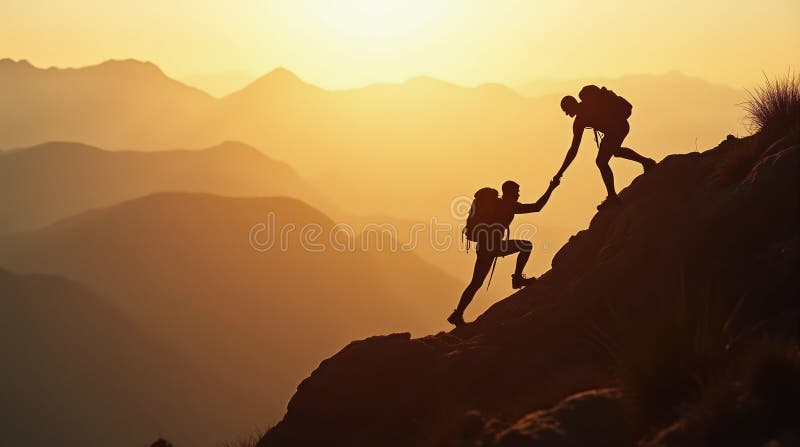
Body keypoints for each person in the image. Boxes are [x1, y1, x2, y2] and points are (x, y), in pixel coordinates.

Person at [448, 179, 559, 327]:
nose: (519, 194)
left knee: (476, 283)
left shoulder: (500, 203)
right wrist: (551, 188)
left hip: (486, 247)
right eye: (517, 192)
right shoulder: (509, 205)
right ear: (510, 192)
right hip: (492, 247)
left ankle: (457, 314)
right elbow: (537, 207)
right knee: (525, 246)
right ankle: (517, 278)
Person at [555, 86, 656, 209]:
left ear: (572, 105)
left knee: (602, 161)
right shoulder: (579, 121)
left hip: (619, 127)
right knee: (614, 152)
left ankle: (613, 197)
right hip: (617, 128)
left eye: (566, 110)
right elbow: (574, 149)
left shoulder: (582, 117)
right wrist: (560, 172)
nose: (566, 114)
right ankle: (646, 162)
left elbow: (573, 149)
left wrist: (560, 173)